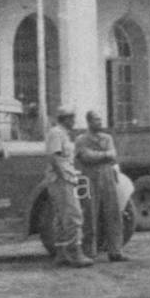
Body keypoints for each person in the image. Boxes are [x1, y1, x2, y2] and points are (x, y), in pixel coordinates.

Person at [75, 110, 128, 263]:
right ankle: (89, 252)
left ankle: (116, 251)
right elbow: (85, 156)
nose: (100, 122)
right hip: (88, 177)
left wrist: (99, 155)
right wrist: (104, 155)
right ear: (89, 122)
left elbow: (113, 154)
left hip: (107, 176)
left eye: (100, 119)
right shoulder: (81, 139)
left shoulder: (107, 138)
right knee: (89, 213)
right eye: (96, 120)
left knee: (113, 213)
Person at [44, 107, 92, 267]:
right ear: (64, 119)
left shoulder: (62, 133)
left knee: (61, 217)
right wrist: (64, 176)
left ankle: (62, 253)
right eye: (71, 118)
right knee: (73, 215)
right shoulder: (56, 133)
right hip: (62, 179)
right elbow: (54, 156)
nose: (73, 121)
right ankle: (75, 253)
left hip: (63, 178)